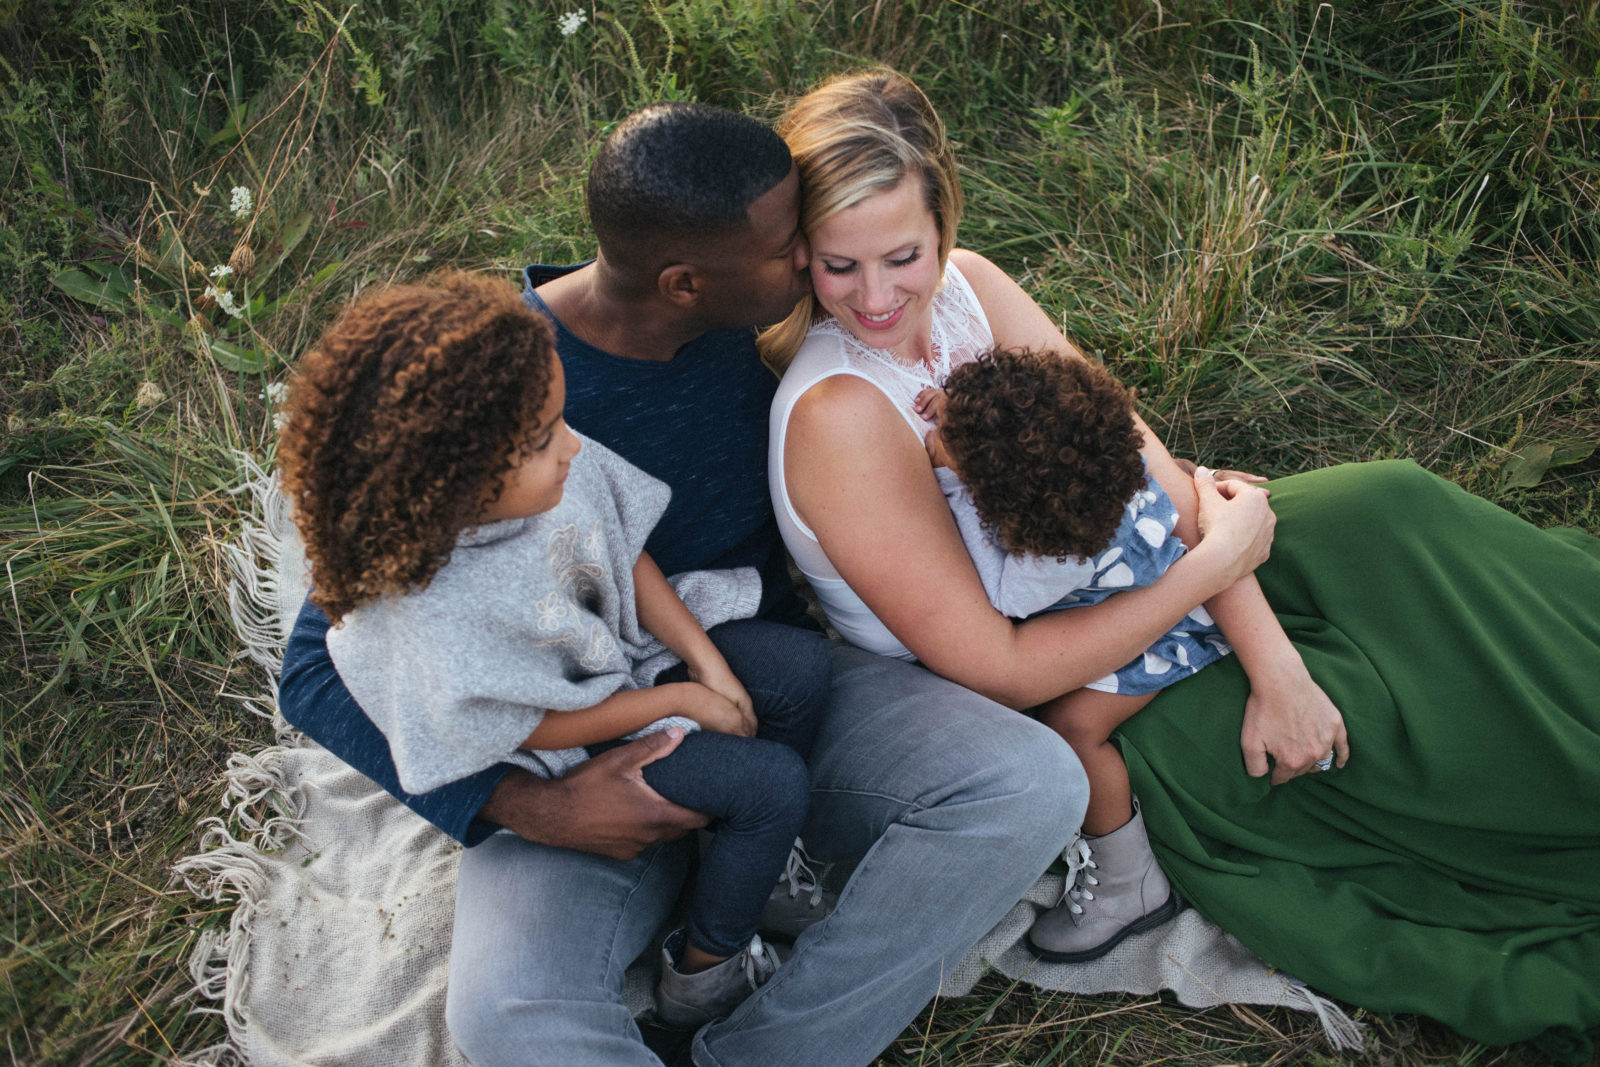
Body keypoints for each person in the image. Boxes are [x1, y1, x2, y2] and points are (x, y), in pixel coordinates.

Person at [277, 101, 1218, 1066]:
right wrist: (519, 806)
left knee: (1030, 784)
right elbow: (314, 665)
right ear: (687, 282)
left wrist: (1163, 493)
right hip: (574, 759)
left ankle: (768, 1048)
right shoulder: (503, 389)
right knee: (509, 1016)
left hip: (778, 688)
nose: (813, 264)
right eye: (793, 250)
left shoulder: (781, 315)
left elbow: (890, 201)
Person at [761, 67, 1600, 1058]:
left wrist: (1263, 641)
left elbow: (1137, 454)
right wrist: (1212, 567)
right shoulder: (840, 414)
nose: (878, 296)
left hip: (1134, 558)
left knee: (1389, 508)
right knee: (1367, 717)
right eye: (837, 266)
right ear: (796, 256)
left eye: (903, 255)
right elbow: (999, 662)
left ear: (943, 221)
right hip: (1047, 648)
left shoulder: (970, 285)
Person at [275, 271, 834, 1028]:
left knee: (801, 670)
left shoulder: (550, 470)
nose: (572, 445)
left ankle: (744, 865)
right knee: (772, 786)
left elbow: (624, 546)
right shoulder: (432, 605)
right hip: (581, 744)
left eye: (560, 421)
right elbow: (528, 726)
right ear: (457, 481)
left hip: (626, 659)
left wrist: (704, 660)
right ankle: (704, 972)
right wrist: (679, 700)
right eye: (545, 439)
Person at [914, 345, 1320, 961]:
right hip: (1174, 578)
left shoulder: (1045, 560)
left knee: (1073, 727)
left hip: (1168, 624)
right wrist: (959, 417)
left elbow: (1000, 599)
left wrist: (943, 471)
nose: (934, 434)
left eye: (955, 443)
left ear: (997, 495)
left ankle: (1127, 885)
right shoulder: (1099, 458)